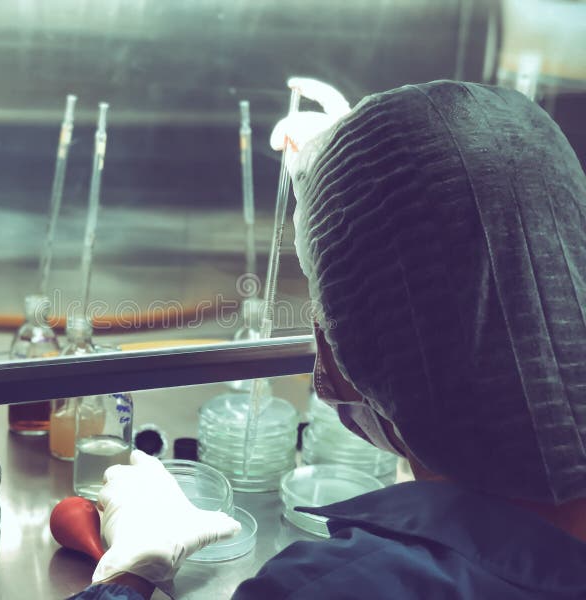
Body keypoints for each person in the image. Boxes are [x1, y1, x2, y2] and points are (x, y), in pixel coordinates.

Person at [67, 79, 586, 599]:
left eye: (326, 295)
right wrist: (351, 182)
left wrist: (128, 576)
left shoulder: (343, 587)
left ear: (352, 336)